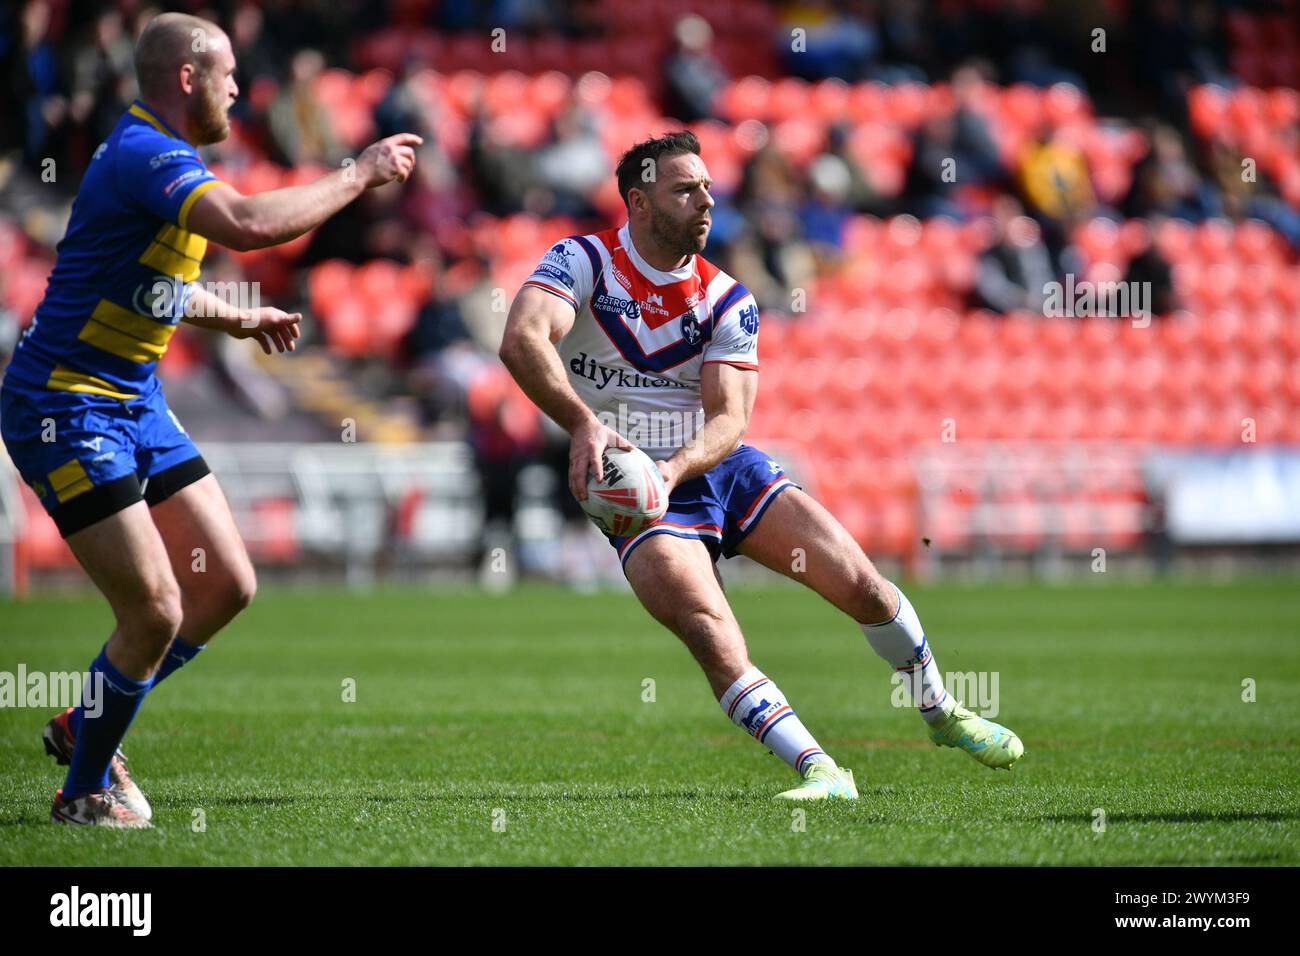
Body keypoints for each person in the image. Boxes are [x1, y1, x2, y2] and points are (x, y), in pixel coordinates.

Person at [499, 131, 1023, 800]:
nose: (706, 201)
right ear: (639, 200)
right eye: (685, 190)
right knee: (709, 631)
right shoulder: (582, 261)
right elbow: (520, 339)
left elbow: (729, 421)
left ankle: (941, 712)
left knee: (860, 583)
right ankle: (822, 771)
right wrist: (583, 425)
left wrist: (673, 467)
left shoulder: (727, 299)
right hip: (632, 491)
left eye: (709, 188)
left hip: (716, 470)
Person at [0, 11, 420, 827]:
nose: (240, 86)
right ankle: (83, 789)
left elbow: (143, 286)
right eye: (228, 73)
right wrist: (359, 172)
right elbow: (256, 226)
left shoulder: (160, 158)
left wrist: (237, 318)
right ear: (187, 79)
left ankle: (89, 713)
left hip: (134, 394)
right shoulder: (146, 152)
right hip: (67, 401)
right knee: (155, 609)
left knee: (226, 584)